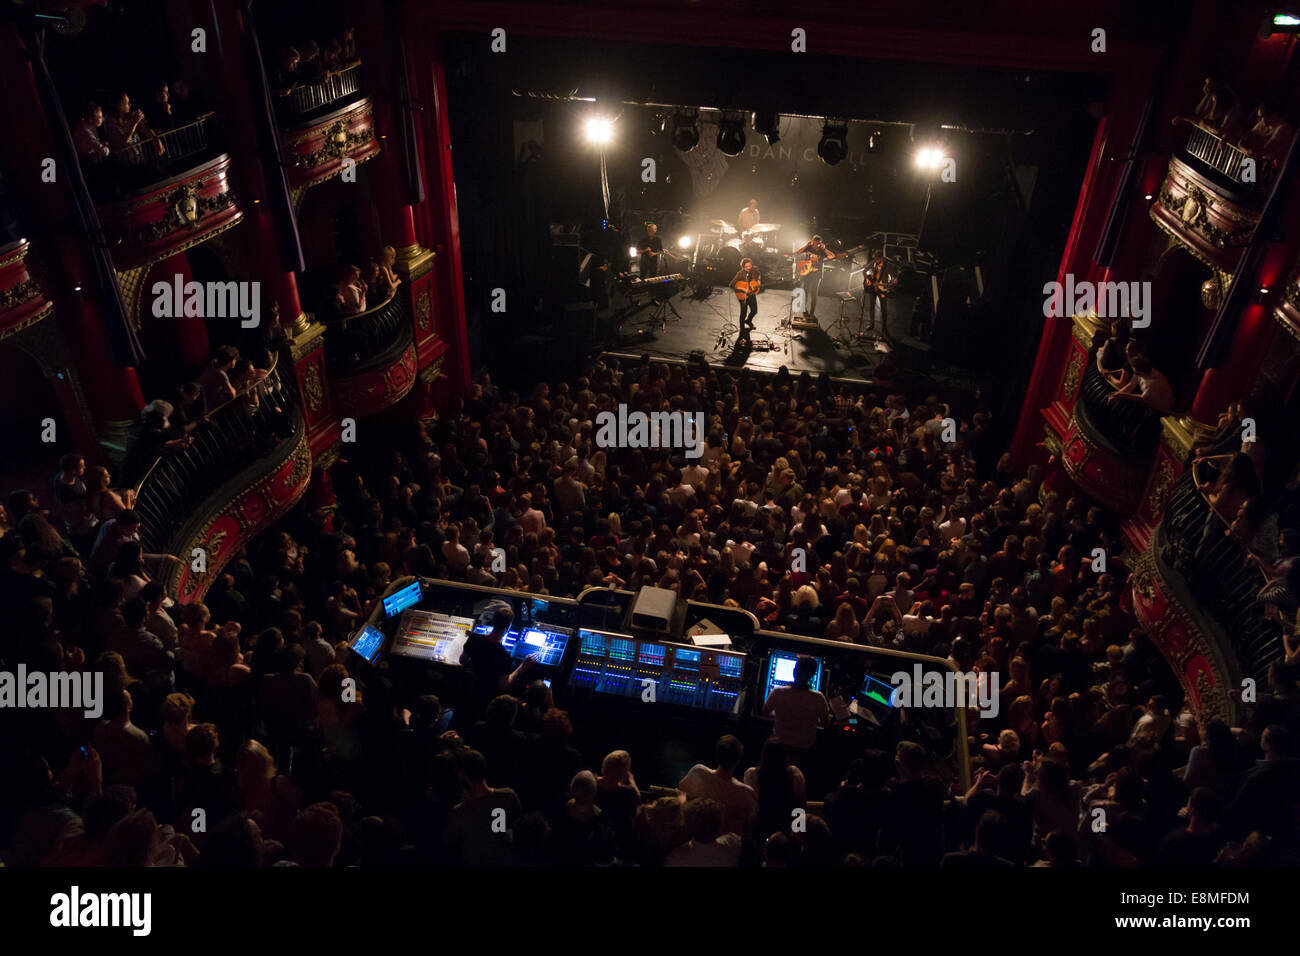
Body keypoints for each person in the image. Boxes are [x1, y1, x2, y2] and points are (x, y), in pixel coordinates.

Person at [676, 734, 757, 837]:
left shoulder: (699, 772)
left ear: (717, 754)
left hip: (695, 840)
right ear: (738, 761)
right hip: (729, 850)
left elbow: (680, 793)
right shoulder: (746, 793)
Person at [761, 654, 833, 756]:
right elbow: (826, 724)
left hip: (779, 749)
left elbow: (764, 712)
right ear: (812, 675)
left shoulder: (777, 692)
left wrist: (779, 714)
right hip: (804, 751)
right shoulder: (819, 698)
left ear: (794, 671)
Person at [794, 235, 836, 320]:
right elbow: (798, 252)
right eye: (814, 243)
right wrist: (806, 245)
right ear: (812, 242)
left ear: (820, 244)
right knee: (805, 291)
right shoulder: (808, 248)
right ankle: (804, 311)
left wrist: (824, 249)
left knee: (814, 293)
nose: (815, 245)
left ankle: (812, 313)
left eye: (818, 244)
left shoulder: (822, 251)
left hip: (817, 274)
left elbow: (832, 256)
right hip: (807, 273)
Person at [730, 257, 763, 336]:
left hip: (751, 294)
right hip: (743, 295)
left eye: (749, 266)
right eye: (746, 266)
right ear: (743, 267)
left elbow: (758, 279)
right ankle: (742, 328)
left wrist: (757, 283)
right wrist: (742, 289)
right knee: (743, 312)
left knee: (754, 311)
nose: (748, 268)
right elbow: (732, 284)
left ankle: (748, 321)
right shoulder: (740, 273)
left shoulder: (755, 272)